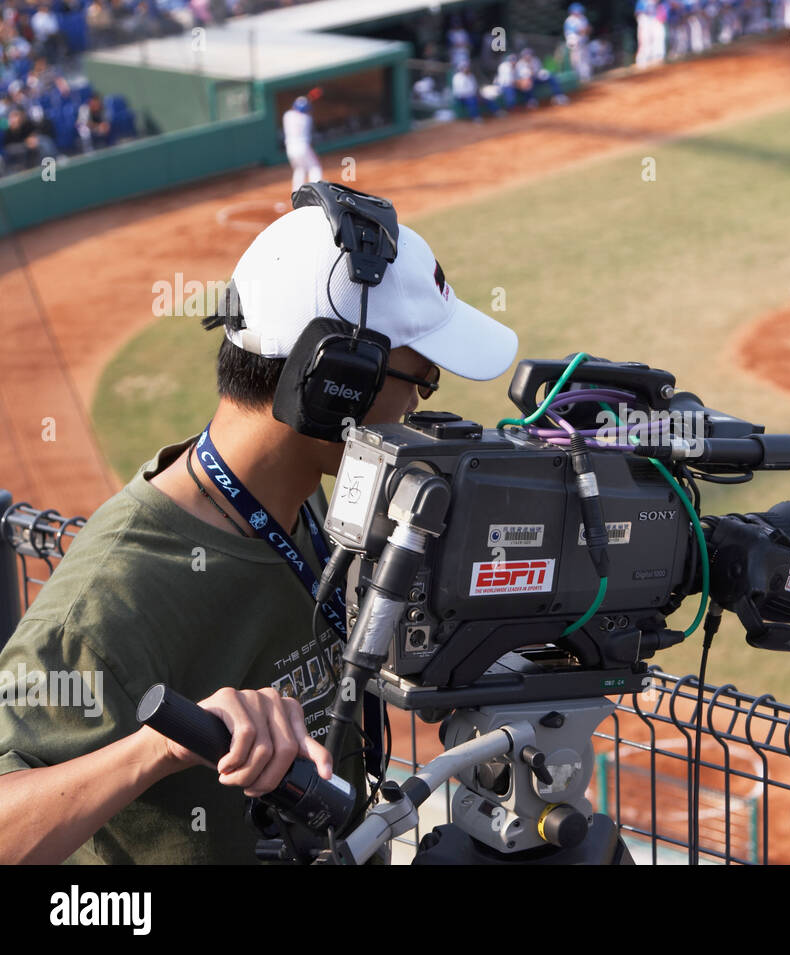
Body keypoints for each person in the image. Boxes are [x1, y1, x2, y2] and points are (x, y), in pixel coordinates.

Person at [0, 191, 520, 864]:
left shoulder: (301, 499)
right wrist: (159, 747)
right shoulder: (108, 600)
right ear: (337, 382)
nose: (419, 412)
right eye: (421, 382)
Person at [282, 95, 322, 194]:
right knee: (314, 167)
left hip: (290, 148)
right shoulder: (306, 118)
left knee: (299, 169)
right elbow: (305, 111)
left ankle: (296, 192)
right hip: (302, 146)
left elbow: (295, 109)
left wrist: (302, 101)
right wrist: (305, 102)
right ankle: (318, 190)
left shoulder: (287, 115)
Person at [564, 3, 592, 83]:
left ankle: (586, 78)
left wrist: (585, 30)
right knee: (576, 61)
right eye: (576, 11)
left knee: (586, 60)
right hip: (574, 45)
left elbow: (588, 29)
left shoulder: (583, 18)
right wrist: (585, 30)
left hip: (584, 42)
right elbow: (579, 31)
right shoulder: (570, 20)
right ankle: (577, 79)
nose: (578, 13)